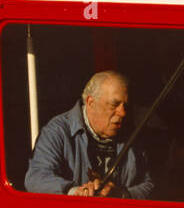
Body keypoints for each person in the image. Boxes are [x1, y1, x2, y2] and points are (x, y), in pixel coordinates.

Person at [24, 71, 155, 198]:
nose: (122, 113)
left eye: (125, 105)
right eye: (114, 105)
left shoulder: (130, 135)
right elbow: (36, 178)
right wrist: (75, 192)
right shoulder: (57, 131)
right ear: (91, 103)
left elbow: (148, 184)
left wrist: (121, 194)